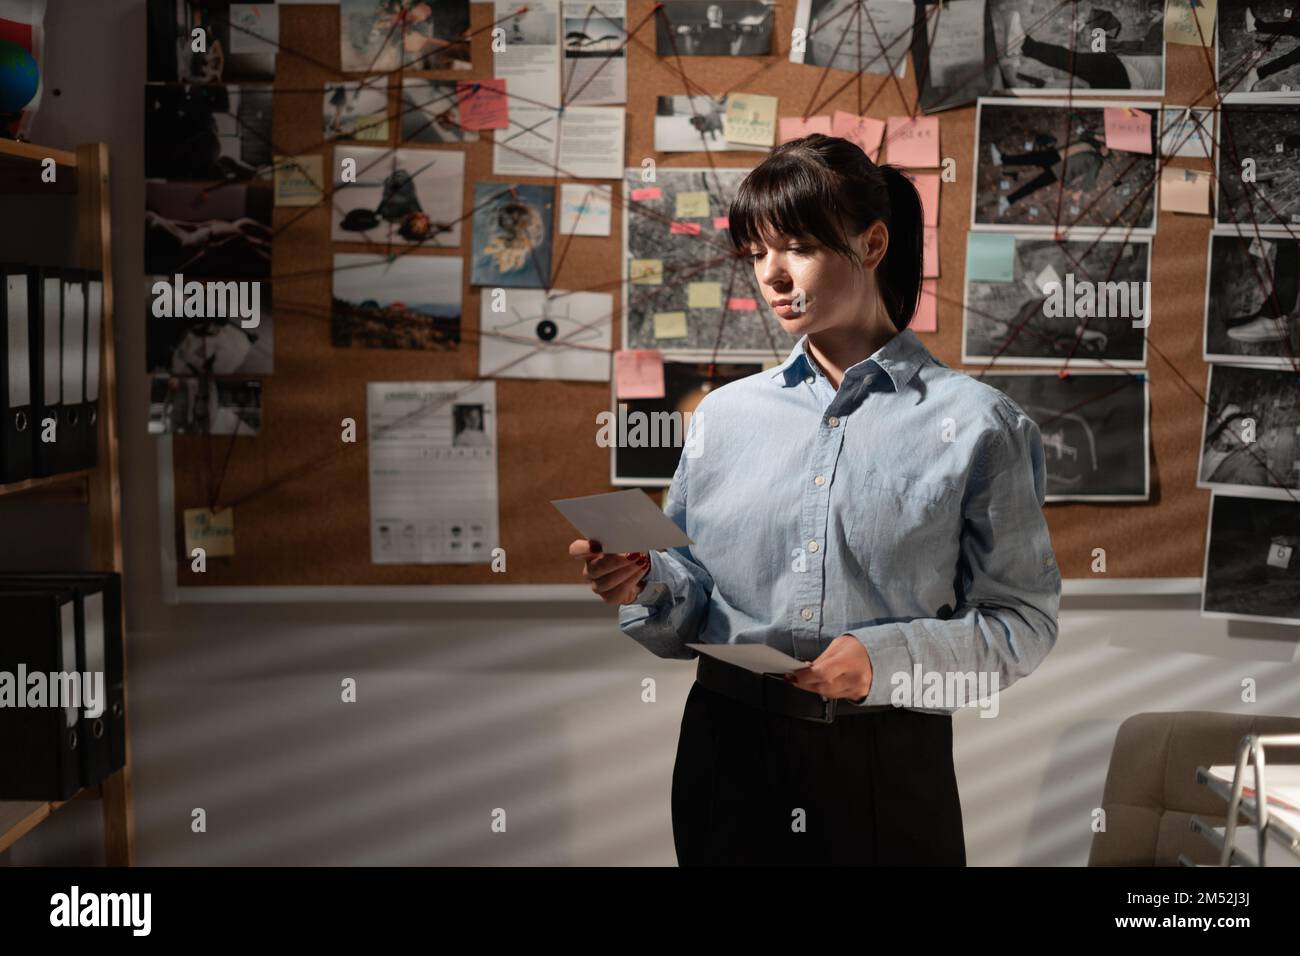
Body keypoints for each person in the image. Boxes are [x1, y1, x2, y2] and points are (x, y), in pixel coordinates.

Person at [569, 134, 1061, 866]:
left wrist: (883, 658)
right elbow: (694, 596)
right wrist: (646, 580)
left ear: (872, 242)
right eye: (756, 252)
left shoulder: (980, 425)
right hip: (725, 755)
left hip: (885, 761)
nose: (770, 274)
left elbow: (1022, 623)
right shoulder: (725, 417)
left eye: (795, 245)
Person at [1003, 8, 1163, 91]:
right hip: (1125, 70)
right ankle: (1022, 50)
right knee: (1074, 66)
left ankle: (1024, 45)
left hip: (1129, 77)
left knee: (1075, 63)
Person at [987, 131, 1110, 217]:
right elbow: (1084, 135)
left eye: (1107, 150)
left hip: (1060, 170)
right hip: (1057, 156)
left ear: (1107, 155)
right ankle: (1002, 159)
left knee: (1033, 185)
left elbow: (1091, 177)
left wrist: (1081, 191)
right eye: (1106, 146)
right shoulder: (1093, 143)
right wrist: (1097, 136)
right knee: (1029, 158)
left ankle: (1008, 201)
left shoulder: (1097, 161)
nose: (1105, 148)